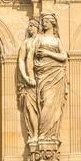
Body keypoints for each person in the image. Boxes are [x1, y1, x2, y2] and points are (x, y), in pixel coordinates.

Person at [33, 13, 68, 142]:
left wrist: (48, 53)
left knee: (53, 103)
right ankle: (43, 133)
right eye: (43, 21)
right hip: (43, 73)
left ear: (52, 23)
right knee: (46, 101)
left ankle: (49, 134)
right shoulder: (39, 38)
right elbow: (30, 55)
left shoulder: (57, 40)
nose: (44, 23)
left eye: (46, 21)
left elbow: (64, 57)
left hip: (56, 73)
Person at [17, 19, 39, 142]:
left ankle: (43, 135)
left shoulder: (43, 40)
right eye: (29, 26)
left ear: (38, 27)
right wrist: (25, 77)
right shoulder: (26, 42)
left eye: (32, 25)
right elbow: (21, 60)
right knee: (30, 108)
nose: (30, 28)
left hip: (43, 79)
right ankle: (35, 134)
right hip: (30, 82)